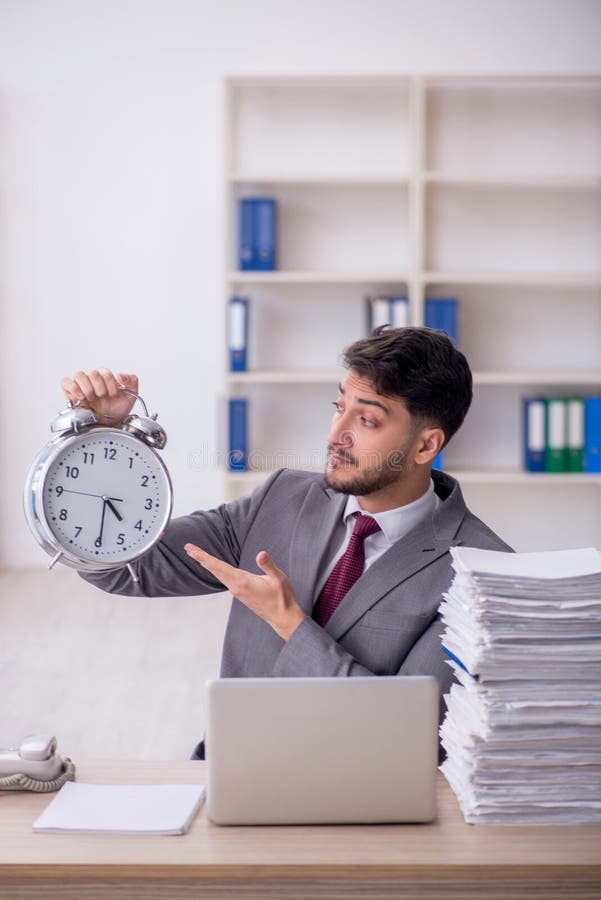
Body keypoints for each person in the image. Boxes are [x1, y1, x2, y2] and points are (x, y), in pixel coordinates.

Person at [61, 327, 512, 759]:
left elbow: (406, 733)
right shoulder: (282, 498)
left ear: (425, 445)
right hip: (232, 775)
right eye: (339, 407)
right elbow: (123, 567)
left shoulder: (485, 572)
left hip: (364, 810)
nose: (337, 434)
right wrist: (106, 446)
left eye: (368, 420)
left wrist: (291, 626)